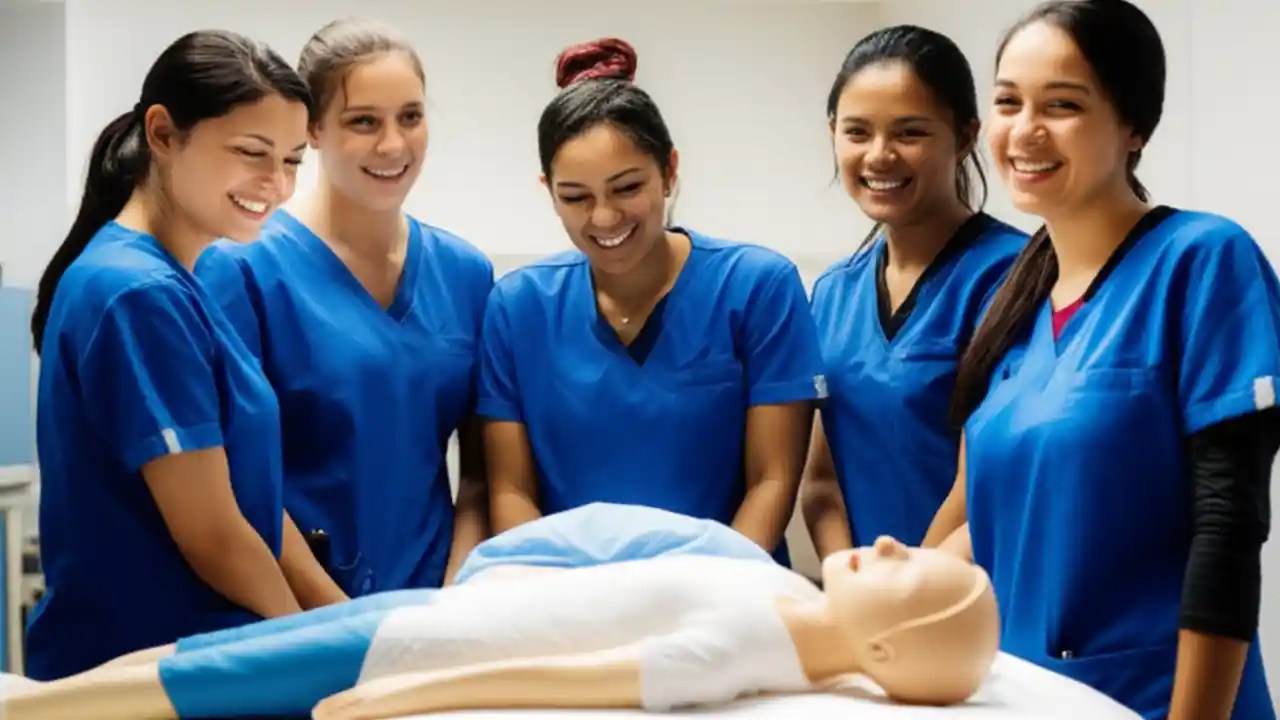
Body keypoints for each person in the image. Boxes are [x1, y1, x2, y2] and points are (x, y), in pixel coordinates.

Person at [925, 2, 1278, 718]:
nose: (1025, 130)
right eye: (1007, 102)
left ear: (1133, 126)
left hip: (1155, 697)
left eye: (1063, 105)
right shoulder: (1010, 301)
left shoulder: (1201, 260)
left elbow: (1228, 524)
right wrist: (882, 592)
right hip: (1020, 693)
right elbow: (981, 517)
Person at [0, 529, 999, 720]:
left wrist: (409, 693)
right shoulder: (775, 597)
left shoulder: (743, 654)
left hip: (416, 647)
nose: (892, 544)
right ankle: (40, 700)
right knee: (207, 654)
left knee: (204, 684)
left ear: (884, 651)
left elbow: (576, 681)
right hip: (437, 610)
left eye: (909, 576)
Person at [25, 31, 319, 680]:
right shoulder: (135, 292)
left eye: (294, 160)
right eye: (251, 152)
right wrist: (311, 650)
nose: (276, 184)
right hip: (153, 669)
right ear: (162, 132)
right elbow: (215, 536)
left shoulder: (182, 280)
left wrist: (345, 622)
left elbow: (253, 505)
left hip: (203, 661)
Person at [478, 38, 826, 564]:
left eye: (626, 187)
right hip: (570, 603)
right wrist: (563, 601)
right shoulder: (517, 307)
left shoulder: (757, 286)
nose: (603, 217)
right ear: (547, 190)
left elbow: (772, 481)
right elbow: (511, 493)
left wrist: (701, 600)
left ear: (669, 171)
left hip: (729, 598)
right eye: (575, 197)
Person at [195, 18, 493, 596]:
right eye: (363, 122)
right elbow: (234, 488)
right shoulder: (242, 269)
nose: (392, 144)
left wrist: (457, 603)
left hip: (433, 610)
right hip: (297, 614)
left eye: (410, 116)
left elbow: (480, 476)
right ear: (312, 129)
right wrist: (337, 623)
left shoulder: (466, 274)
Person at [801, 25, 1028, 559]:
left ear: (967, 135)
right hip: (868, 604)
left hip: (973, 595)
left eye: (910, 133)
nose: (880, 155)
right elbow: (820, 482)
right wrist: (851, 584)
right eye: (857, 132)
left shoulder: (1016, 275)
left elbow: (987, 482)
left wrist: (906, 589)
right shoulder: (833, 293)